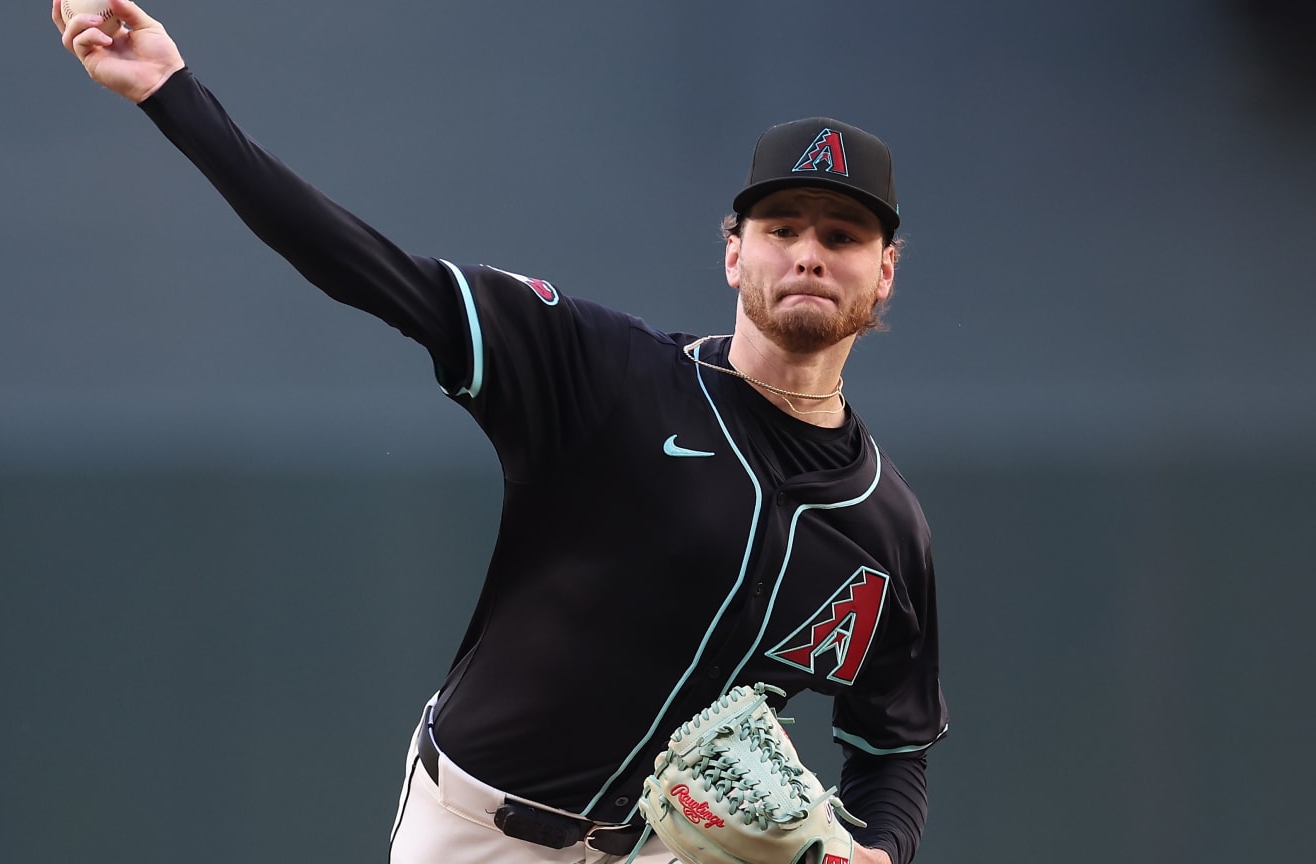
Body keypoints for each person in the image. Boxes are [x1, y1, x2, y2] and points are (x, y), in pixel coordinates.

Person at [53, 3, 949, 863]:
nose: (807, 252)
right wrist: (172, 92)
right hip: (480, 836)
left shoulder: (885, 527)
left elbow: (891, 744)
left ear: (884, 274)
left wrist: (878, 850)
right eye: (780, 226)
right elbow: (364, 268)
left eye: (842, 234)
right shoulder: (603, 373)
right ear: (732, 252)